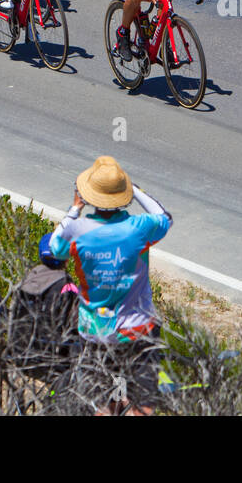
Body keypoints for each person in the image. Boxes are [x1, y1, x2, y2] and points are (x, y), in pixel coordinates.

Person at [40, 155, 172, 415]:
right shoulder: (138, 228)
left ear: (88, 196)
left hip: (97, 331)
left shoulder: (78, 231)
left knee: (105, 401)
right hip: (138, 328)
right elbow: (163, 215)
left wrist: (75, 208)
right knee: (143, 402)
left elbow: (54, 247)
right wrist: (135, 190)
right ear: (122, 196)